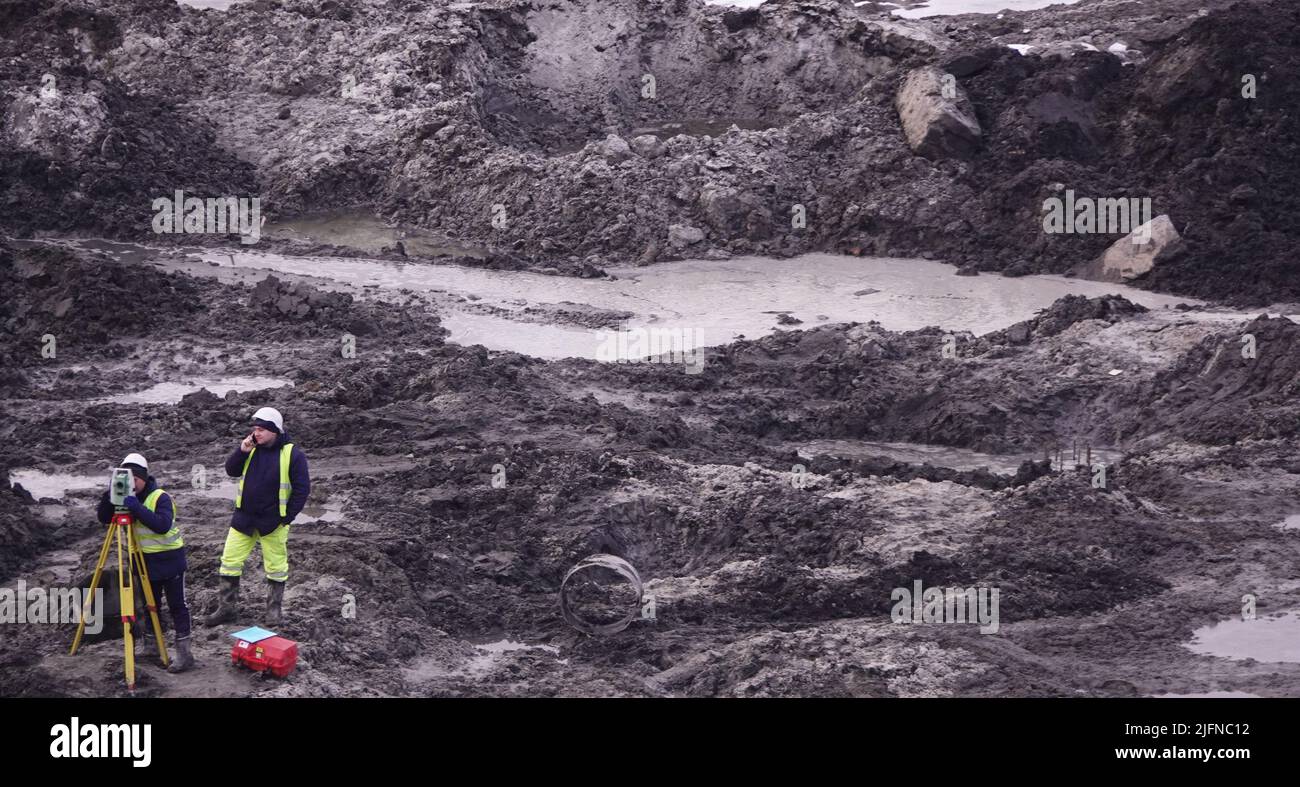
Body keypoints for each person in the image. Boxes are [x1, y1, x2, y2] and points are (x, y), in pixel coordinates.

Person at [204, 406, 310, 627]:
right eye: (255, 429)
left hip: (273, 523)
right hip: (244, 519)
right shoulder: (250, 448)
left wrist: (286, 518)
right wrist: (241, 450)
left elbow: (302, 490)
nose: (256, 433)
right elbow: (232, 471)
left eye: (261, 429)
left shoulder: (293, 455)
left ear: (274, 431)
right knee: (229, 563)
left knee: (276, 568)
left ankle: (273, 612)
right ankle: (227, 609)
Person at [96, 452, 195, 673]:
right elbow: (104, 517)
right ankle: (151, 647)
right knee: (151, 607)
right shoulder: (126, 496)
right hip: (143, 563)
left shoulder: (160, 497)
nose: (131, 484)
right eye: (126, 479)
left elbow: (162, 525)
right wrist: (111, 493)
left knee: (177, 606)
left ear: (143, 477)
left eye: (135, 480)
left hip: (170, 561)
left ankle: (184, 654)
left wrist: (135, 506)